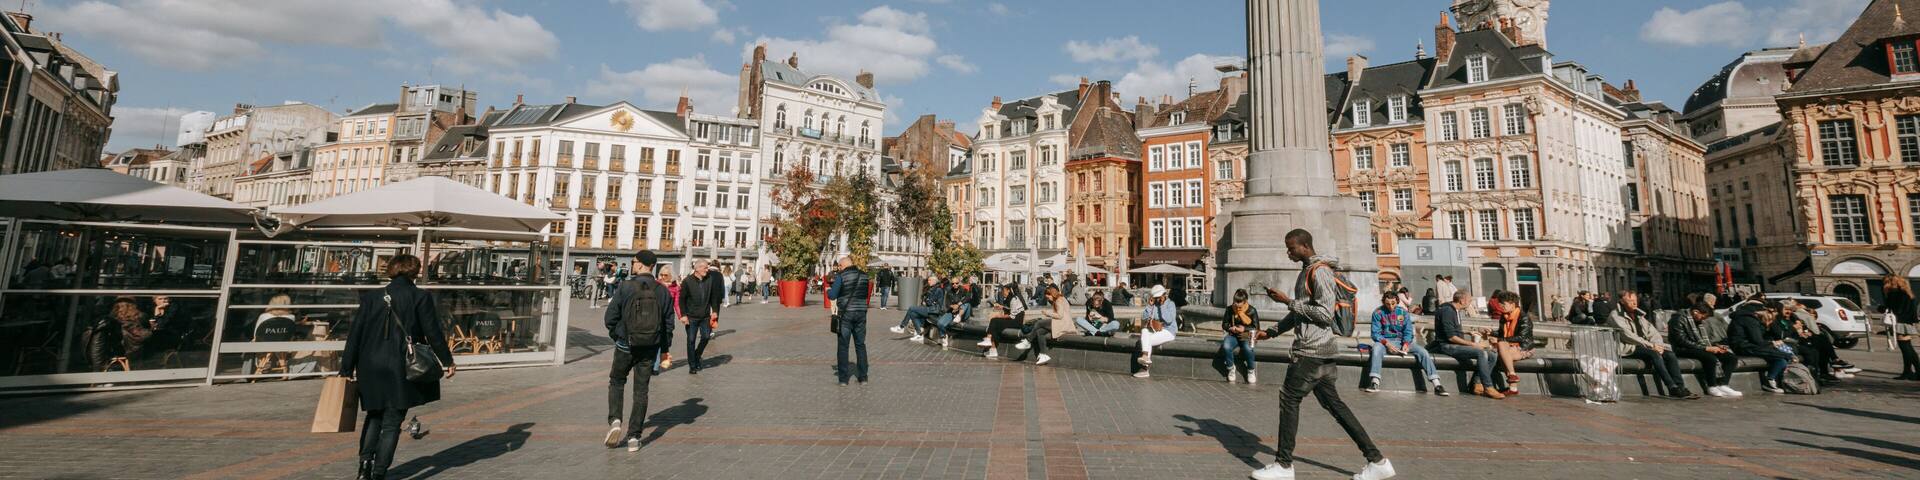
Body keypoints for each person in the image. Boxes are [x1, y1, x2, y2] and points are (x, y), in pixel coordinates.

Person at [1249, 229, 1394, 480]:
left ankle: (1284, 465)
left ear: (1305, 246)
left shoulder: (1321, 272)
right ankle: (1377, 461)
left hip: (1312, 350)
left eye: (1291, 248)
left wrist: (1287, 301)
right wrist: (1271, 332)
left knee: (1289, 399)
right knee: (1335, 405)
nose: (1288, 252)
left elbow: (1324, 314)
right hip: (1320, 351)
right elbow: (1302, 312)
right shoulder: (1307, 271)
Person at [340, 254, 455, 478]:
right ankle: (379, 473)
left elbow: (356, 334)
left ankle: (364, 466)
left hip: (369, 364)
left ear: (392, 270)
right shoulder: (420, 297)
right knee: (392, 422)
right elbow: (433, 333)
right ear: (415, 271)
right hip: (401, 366)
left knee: (374, 416)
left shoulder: (372, 297)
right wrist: (447, 360)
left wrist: (346, 367)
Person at [600, 250, 675, 452]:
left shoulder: (625, 287)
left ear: (641, 265)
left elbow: (609, 318)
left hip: (626, 344)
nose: (632, 264)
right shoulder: (662, 291)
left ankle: (615, 420)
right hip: (650, 347)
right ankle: (634, 437)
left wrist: (619, 337)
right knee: (641, 390)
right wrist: (664, 350)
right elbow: (669, 325)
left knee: (617, 381)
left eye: (634, 262)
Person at [1609, 290, 1697, 400]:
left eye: (1635, 300)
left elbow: (1653, 332)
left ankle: (1680, 386)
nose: (1634, 303)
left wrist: (1657, 345)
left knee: (1670, 355)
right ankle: (1672, 387)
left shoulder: (1639, 314)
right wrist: (1651, 346)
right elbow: (1627, 335)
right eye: (1630, 301)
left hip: (1646, 346)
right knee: (1654, 354)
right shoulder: (1615, 315)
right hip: (1628, 347)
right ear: (1622, 301)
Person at [1363, 291, 1444, 396]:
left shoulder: (1403, 313)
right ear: (1383, 302)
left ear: (1397, 301)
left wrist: (1406, 344)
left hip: (1401, 341)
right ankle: (1374, 382)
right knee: (1376, 349)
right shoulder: (1378, 313)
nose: (1391, 306)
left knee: (1423, 351)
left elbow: (1408, 331)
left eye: (1393, 303)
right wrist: (1386, 343)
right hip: (1385, 342)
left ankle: (1437, 384)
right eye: (1387, 304)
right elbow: (1375, 333)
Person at [1430, 290, 1502, 399]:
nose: (1470, 303)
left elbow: (1451, 330)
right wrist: (1472, 344)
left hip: (1452, 344)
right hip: (1447, 346)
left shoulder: (1455, 310)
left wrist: (1467, 332)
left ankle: (1477, 384)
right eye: (1469, 300)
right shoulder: (1448, 311)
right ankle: (1488, 386)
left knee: (1493, 354)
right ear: (1462, 300)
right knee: (1481, 352)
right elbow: (1451, 337)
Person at [1671, 305, 1742, 397]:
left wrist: (1716, 346)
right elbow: (1681, 340)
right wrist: (1706, 348)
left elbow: (1704, 339)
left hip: (1699, 346)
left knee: (1730, 357)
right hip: (1683, 348)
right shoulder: (1678, 319)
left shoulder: (1697, 321)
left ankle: (1723, 384)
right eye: (1703, 316)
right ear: (1695, 312)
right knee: (1710, 358)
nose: (1703, 320)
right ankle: (1712, 386)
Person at [1727, 301, 1793, 393]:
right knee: (1785, 355)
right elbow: (1757, 340)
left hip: (1748, 345)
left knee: (1781, 359)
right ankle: (1769, 381)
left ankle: (1771, 379)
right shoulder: (1749, 319)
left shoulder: (1749, 318)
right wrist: (1772, 343)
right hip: (1744, 346)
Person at [827, 256, 872, 386]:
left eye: (840, 266)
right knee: (860, 345)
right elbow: (865, 295)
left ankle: (843, 379)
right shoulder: (864, 276)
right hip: (861, 313)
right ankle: (863, 377)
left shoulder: (841, 276)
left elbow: (833, 295)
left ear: (843, 265)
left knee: (843, 346)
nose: (839, 268)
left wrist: (829, 291)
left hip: (846, 315)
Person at [679, 259, 724, 375]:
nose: (707, 269)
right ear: (697, 268)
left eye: (707, 267)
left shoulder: (710, 279)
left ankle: (697, 355)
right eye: (705, 267)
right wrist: (683, 315)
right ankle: (692, 365)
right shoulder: (687, 281)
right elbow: (681, 299)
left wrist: (714, 311)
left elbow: (714, 297)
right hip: (691, 317)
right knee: (691, 340)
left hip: (705, 316)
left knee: (705, 337)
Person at [1781, 300, 1843, 384]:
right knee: (1814, 350)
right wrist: (1795, 329)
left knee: (1822, 340)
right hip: (1792, 341)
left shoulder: (1793, 317)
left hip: (1802, 338)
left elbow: (1804, 326)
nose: (1788, 311)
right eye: (1786, 309)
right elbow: (1782, 334)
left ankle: (1826, 369)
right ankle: (1827, 367)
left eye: (1790, 309)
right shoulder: (1780, 320)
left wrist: (1807, 332)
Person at [1489, 291, 1534, 397]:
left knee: (1502, 351)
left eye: (1503, 304)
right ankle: (1512, 379)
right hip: (1510, 346)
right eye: (1500, 303)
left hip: (1524, 348)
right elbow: (1501, 333)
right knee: (1502, 348)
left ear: (1512, 304)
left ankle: (1513, 385)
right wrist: (1491, 332)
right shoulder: (1503, 317)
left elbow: (1522, 338)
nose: (1501, 306)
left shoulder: (1524, 317)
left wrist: (1500, 339)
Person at [1132, 285, 1178, 378]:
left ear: (1164, 295)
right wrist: (1149, 305)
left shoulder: (1170, 304)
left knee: (1147, 340)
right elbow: (1144, 317)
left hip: (1168, 332)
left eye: (1159, 297)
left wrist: (1162, 306)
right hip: (1156, 331)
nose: (1158, 299)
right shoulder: (1154, 305)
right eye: (1156, 297)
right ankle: (1145, 357)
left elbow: (1169, 320)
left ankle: (1145, 369)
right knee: (1144, 331)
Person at [1016, 286, 1069, 365]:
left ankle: (1028, 341)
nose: (1048, 299)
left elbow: (1060, 316)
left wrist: (1047, 313)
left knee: (1039, 323)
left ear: (1052, 294)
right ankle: (1043, 355)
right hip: (1061, 323)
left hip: (1062, 324)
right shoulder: (1060, 299)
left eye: (1048, 297)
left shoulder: (1059, 300)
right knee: (1039, 332)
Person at [1221, 289, 1260, 384]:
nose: (1236, 304)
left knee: (1248, 348)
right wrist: (1231, 328)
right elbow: (1224, 324)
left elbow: (1256, 327)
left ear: (1245, 301)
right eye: (1235, 301)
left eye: (1239, 302)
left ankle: (1251, 370)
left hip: (1246, 336)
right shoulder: (1229, 309)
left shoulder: (1251, 310)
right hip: (1233, 335)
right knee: (1226, 346)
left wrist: (1244, 329)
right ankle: (1231, 368)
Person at [1885, 276, 1920, 380]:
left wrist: (1884, 308)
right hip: (1907, 322)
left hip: (1899, 322)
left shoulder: (1894, 293)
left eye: (1886, 283)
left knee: (1905, 349)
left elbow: (1896, 309)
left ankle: (1914, 372)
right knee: (1908, 347)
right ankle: (1909, 372)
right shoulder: (1907, 293)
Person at [981, 283, 1026, 359]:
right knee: (994, 324)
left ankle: (991, 346)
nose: (1002, 293)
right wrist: (1001, 307)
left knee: (994, 321)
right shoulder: (1009, 298)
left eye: (1004, 291)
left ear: (1008, 290)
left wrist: (999, 316)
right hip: (1013, 320)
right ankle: (992, 348)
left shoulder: (1014, 299)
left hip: (1016, 322)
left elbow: (1012, 316)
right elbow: (1009, 309)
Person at [899, 274, 947, 343]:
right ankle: (919, 334)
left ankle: (902, 326)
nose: (928, 282)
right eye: (928, 280)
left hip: (934, 310)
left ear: (934, 281)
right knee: (912, 314)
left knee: (911, 308)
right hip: (930, 309)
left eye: (930, 280)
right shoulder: (933, 288)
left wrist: (926, 301)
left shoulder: (938, 289)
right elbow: (929, 301)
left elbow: (930, 302)